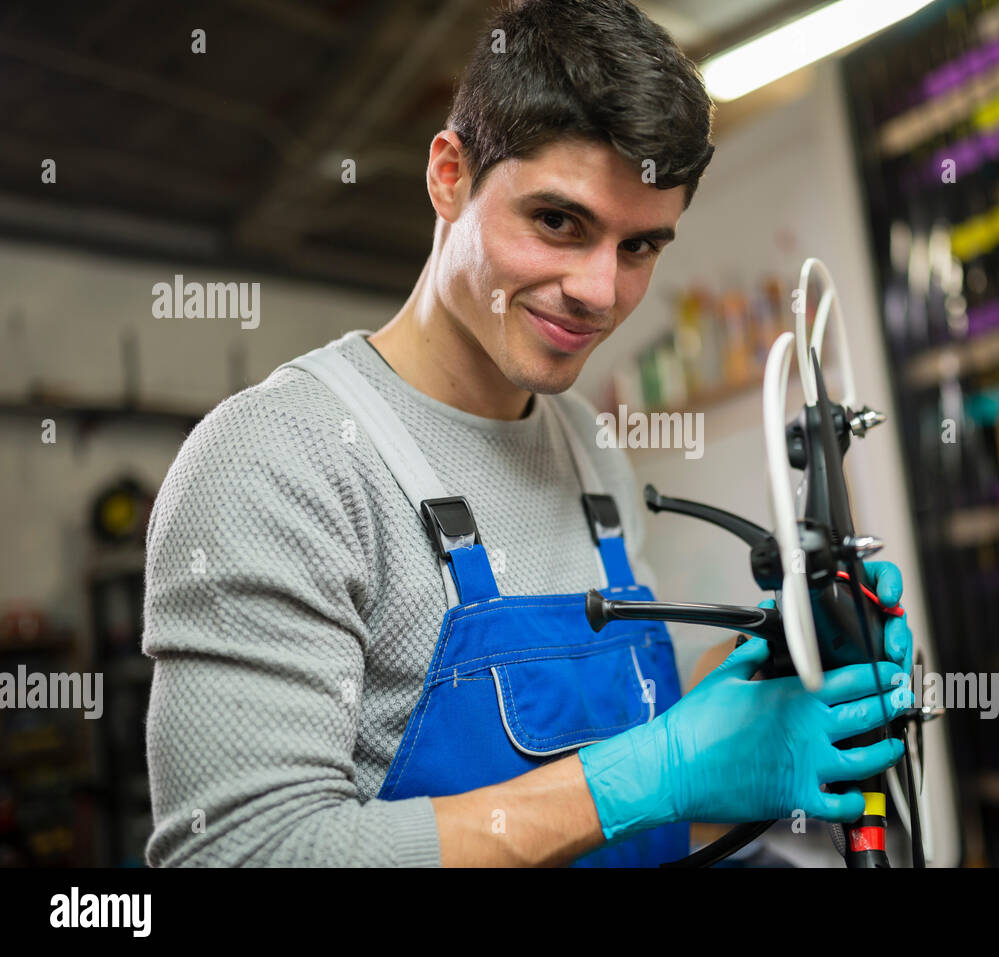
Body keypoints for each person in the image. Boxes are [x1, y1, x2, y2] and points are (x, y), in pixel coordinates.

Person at [142, 0, 913, 868]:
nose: (598, 290)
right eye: (558, 221)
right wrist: (655, 773)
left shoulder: (587, 448)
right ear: (448, 175)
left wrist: (772, 683)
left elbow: (611, 772)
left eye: (640, 247)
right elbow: (241, 855)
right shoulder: (278, 459)